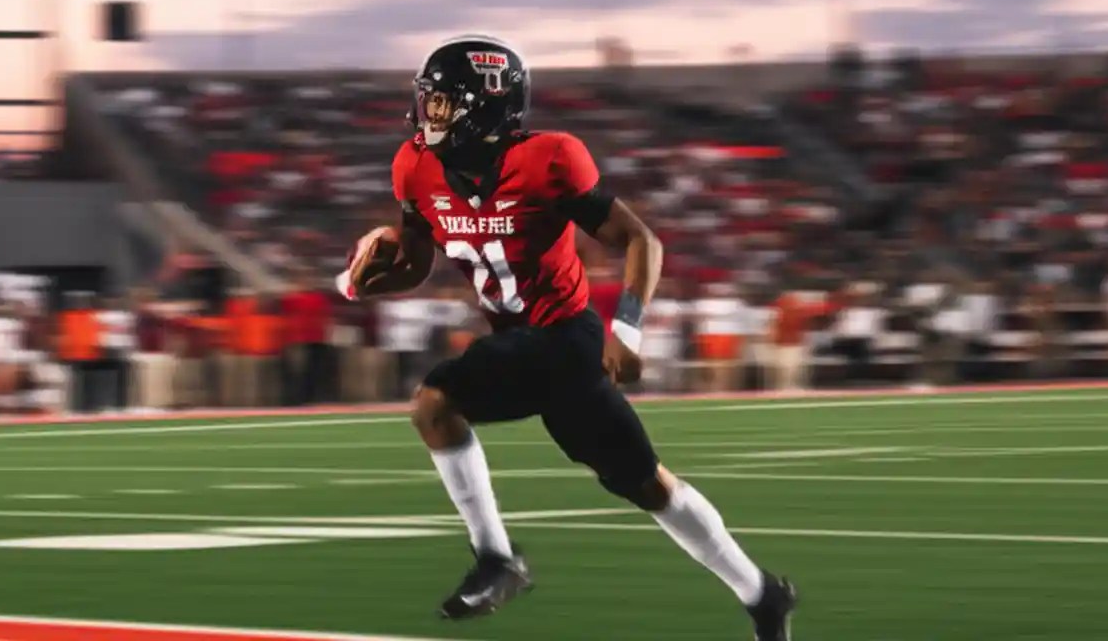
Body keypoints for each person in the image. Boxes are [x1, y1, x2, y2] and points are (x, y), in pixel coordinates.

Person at [338, 35, 795, 639]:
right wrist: (353, 282)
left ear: (488, 102)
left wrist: (627, 328)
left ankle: (498, 560)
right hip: (522, 342)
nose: (430, 115)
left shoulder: (550, 158)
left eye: (444, 103)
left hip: (565, 335)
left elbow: (641, 241)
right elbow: (418, 261)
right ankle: (761, 593)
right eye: (429, 102)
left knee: (438, 403)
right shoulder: (415, 166)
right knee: (647, 484)